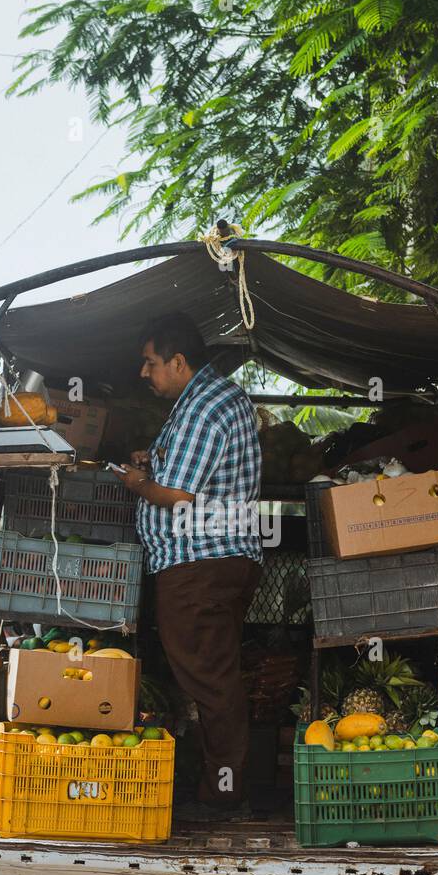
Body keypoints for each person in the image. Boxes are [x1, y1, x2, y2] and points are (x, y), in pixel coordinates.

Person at [111, 311, 262, 816]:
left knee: (210, 679)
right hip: (210, 562)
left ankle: (225, 792)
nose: (143, 373)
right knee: (211, 673)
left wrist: (135, 483)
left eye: (150, 363)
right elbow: (185, 470)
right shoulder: (207, 400)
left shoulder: (202, 408)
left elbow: (177, 494)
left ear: (179, 361)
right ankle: (220, 782)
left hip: (199, 564)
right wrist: (151, 460)